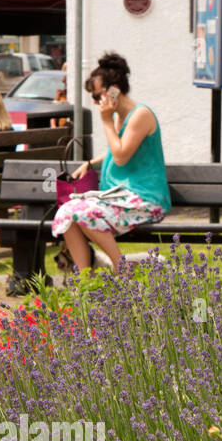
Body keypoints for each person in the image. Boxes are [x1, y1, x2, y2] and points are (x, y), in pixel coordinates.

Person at [53, 51, 170, 276]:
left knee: (84, 212)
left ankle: (121, 268)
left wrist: (106, 122)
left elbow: (121, 155)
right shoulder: (120, 116)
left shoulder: (140, 115)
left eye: (98, 96)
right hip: (121, 197)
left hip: (144, 199)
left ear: (114, 89)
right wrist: (91, 163)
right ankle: (85, 281)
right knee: (67, 212)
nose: (96, 102)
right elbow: (115, 149)